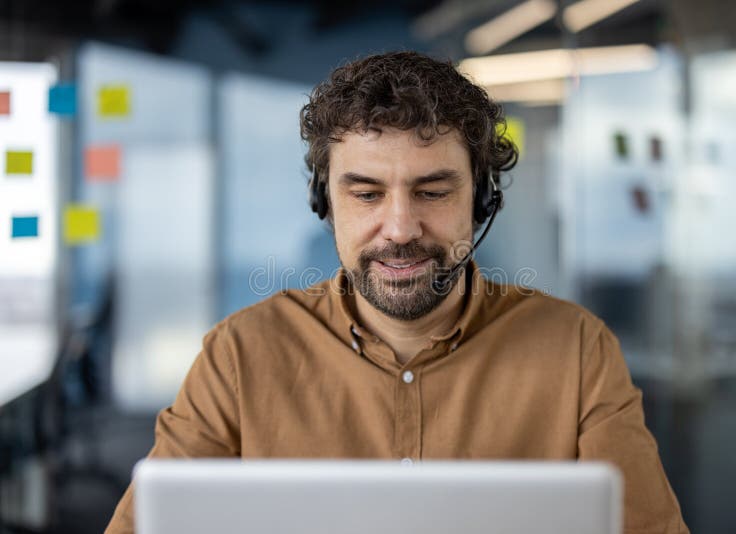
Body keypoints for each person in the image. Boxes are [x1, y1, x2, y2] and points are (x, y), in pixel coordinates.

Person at [105, 51, 688, 533]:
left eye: (433, 192)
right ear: (325, 203)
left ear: (481, 201)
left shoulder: (578, 350)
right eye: (366, 194)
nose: (401, 228)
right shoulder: (239, 355)